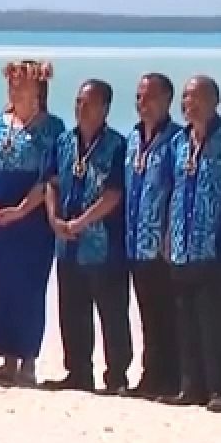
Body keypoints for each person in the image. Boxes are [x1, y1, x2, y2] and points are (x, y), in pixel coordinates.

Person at [0, 60, 65, 386]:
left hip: (32, 222)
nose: (14, 89)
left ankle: (27, 362)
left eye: (20, 83)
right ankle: (6, 360)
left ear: (38, 89)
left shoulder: (53, 129)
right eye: (11, 83)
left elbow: (51, 177)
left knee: (28, 289)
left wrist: (23, 209)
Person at [45, 79, 132, 392]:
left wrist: (82, 222)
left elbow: (114, 194)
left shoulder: (117, 145)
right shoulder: (64, 142)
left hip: (104, 242)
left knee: (111, 311)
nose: (82, 108)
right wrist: (53, 218)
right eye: (79, 102)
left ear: (106, 108)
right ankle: (78, 372)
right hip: (67, 242)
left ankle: (117, 376)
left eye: (90, 103)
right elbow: (51, 182)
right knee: (71, 309)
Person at [168, 76, 221, 412]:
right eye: (185, 98)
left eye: (196, 98)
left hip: (216, 243)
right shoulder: (179, 141)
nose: (189, 104)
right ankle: (191, 386)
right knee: (185, 318)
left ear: (215, 101)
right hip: (182, 244)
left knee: (215, 318)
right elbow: (171, 190)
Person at [123, 73, 180, 398]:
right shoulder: (132, 138)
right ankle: (150, 376)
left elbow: (180, 189)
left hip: (163, 244)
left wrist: (171, 235)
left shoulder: (176, 139)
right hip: (135, 243)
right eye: (139, 98)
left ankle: (171, 379)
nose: (142, 104)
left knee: (167, 314)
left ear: (166, 101)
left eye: (150, 98)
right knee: (146, 313)